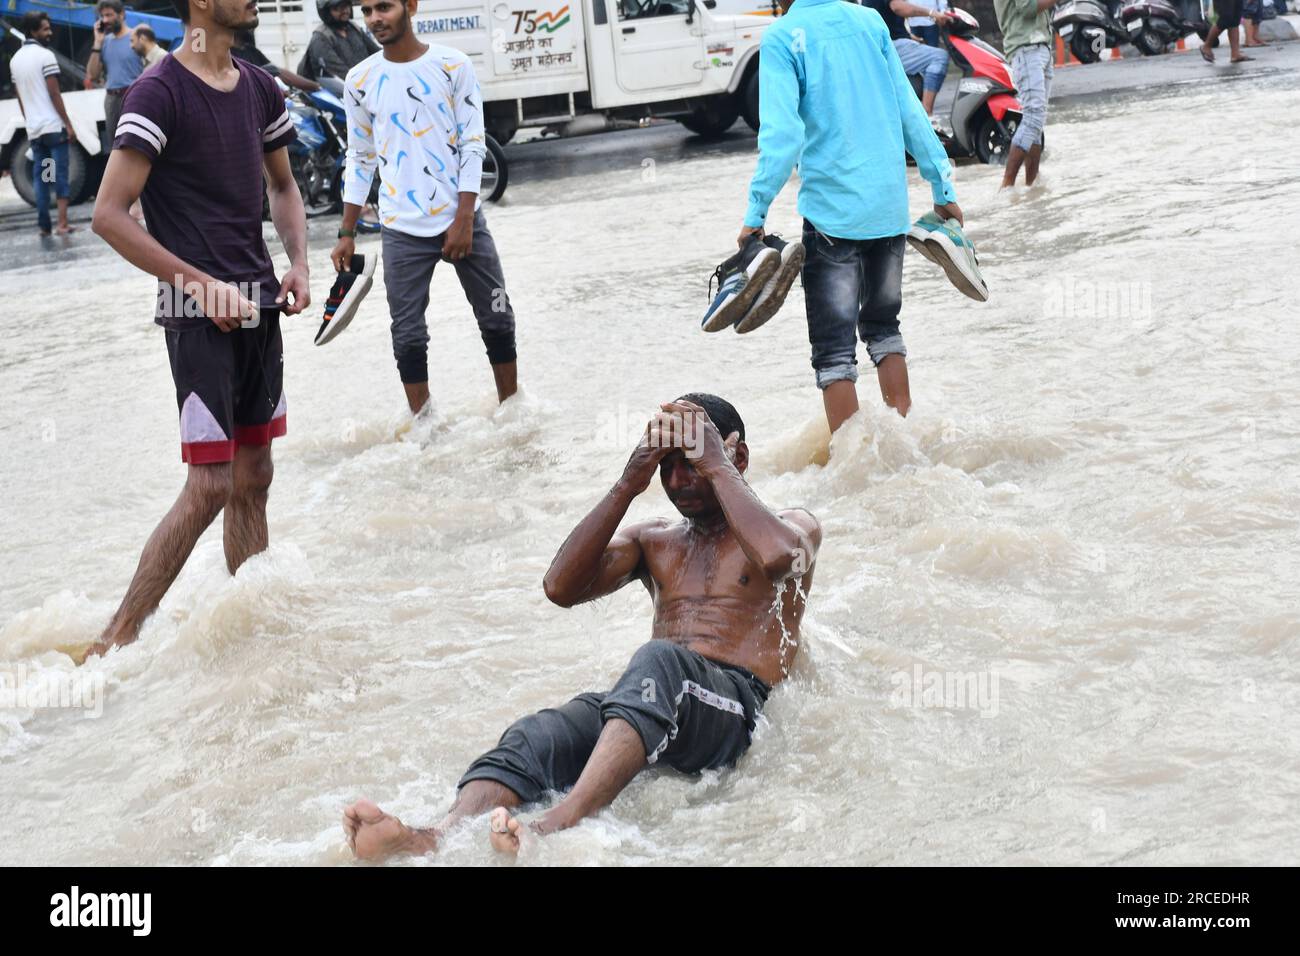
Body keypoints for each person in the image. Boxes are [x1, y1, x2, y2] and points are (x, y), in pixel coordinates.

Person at [339, 395, 822, 859]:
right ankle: (435, 836)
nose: (676, 480)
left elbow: (780, 559)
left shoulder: (790, 525)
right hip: (652, 698)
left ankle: (556, 824)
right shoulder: (655, 539)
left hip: (734, 707)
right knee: (539, 731)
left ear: (738, 454)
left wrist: (715, 461)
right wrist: (627, 484)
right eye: (665, 466)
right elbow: (559, 586)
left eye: (690, 462)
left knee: (658, 661)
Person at [85, 0, 310, 660]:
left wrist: (297, 261)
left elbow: (284, 187)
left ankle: (250, 622)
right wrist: (196, 283)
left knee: (255, 474)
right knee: (210, 485)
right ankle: (115, 641)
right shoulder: (157, 93)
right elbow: (108, 213)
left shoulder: (261, 86)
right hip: (196, 316)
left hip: (260, 308)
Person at [739, 0, 962, 430]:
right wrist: (942, 187)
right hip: (888, 210)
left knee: (834, 354)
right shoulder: (870, 22)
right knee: (884, 329)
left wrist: (755, 214)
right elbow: (910, 112)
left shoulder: (783, 38)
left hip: (831, 220)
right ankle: (907, 442)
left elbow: (782, 137)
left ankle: (853, 470)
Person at [330, 0, 518, 416]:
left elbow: (473, 143)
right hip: (400, 227)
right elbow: (360, 158)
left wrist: (465, 216)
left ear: (410, 6)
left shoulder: (454, 66)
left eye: (385, 7)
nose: (376, 18)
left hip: (461, 217)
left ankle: (513, 413)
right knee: (408, 334)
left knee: (499, 314)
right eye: (367, 11)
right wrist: (347, 232)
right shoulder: (360, 80)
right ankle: (426, 429)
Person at [11, 12, 78, 236]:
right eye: (45, 29)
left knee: (43, 177)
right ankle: (62, 224)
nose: (49, 33)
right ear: (33, 31)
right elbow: (54, 93)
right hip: (53, 129)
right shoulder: (45, 56)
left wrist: (30, 121)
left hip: (35, 131)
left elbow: (20, 97)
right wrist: (68, 123)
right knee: (59, 176)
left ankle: (44, 226)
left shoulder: (15, 60)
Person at [993, 0, 1054, 189]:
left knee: (1036, 123)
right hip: (1026, 48)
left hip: (1038, 47)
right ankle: (1006, 187)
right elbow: (1027, 8)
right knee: (1033, 119)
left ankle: (1031, 185)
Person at [861, 0, 954, 117]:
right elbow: (898, 7)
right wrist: (932, 12)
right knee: (939, 57)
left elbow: (887, 20)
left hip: (884, 44)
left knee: (927, 57)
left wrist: (910, 37)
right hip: (889, 46)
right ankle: (927, 114)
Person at [87, 0, 143, 142]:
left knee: (137, 143)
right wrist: (97, 42)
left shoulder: (137, 37)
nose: (105, 20)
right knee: (116, 146)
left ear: (122, 14)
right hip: (112, 100)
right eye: (102, 16)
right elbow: (92, 75)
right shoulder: (104, 42)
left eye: (109, 15)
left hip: (134, 96)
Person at [299, 0, 380, 80]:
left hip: (365, 82)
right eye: (338, 8)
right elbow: (340, 73)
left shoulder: (354, 28)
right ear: (326, 12)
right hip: (342, 88)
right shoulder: (321, 38)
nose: (345, 10)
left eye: (346, 5)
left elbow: (377, 53)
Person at [231, 30, 321, 92]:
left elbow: (277, 71)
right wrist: (315, 86)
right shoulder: (228, 55)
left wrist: (316, 86)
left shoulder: (250, 50)